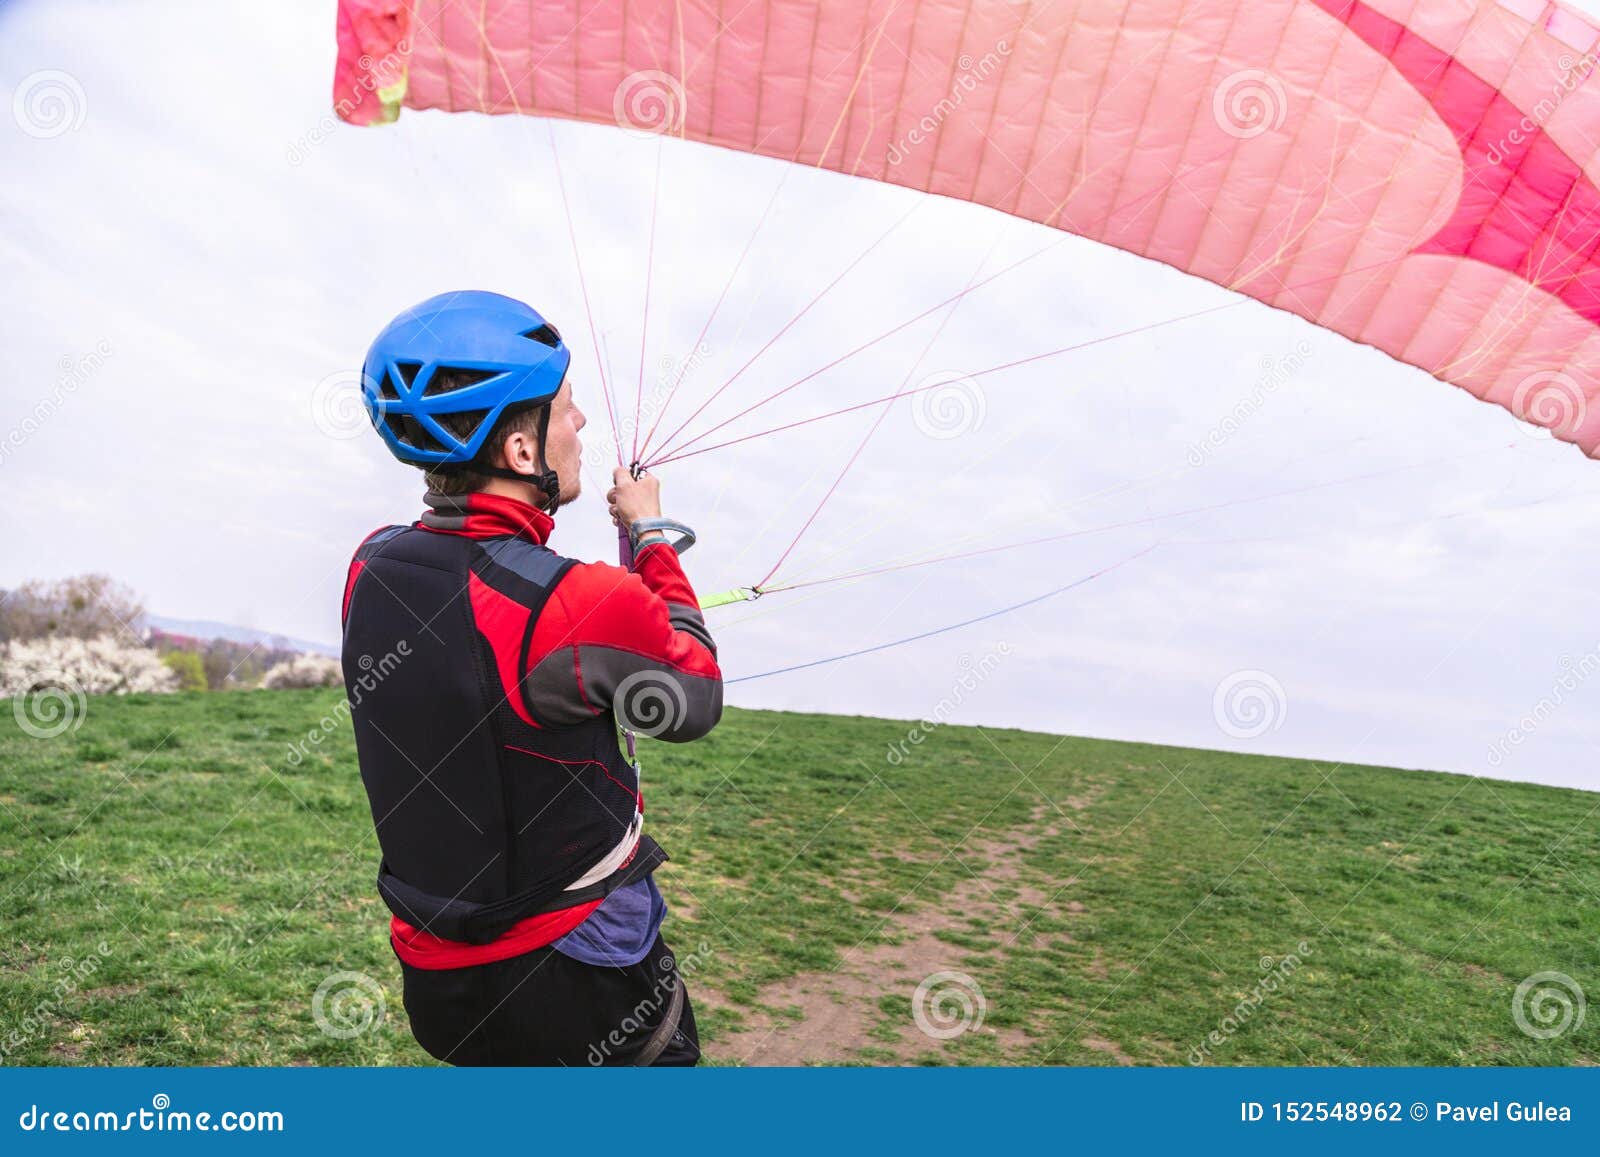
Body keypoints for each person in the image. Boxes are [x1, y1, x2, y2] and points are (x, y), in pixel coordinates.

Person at [340, 290, 723, 1065]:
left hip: (442, 980)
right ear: (521, 453)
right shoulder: (581, 601)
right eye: (567, 407)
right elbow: (693, 697)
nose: (580, 425)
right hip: (579, 980)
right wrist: (650, 537)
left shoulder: (368, 564)